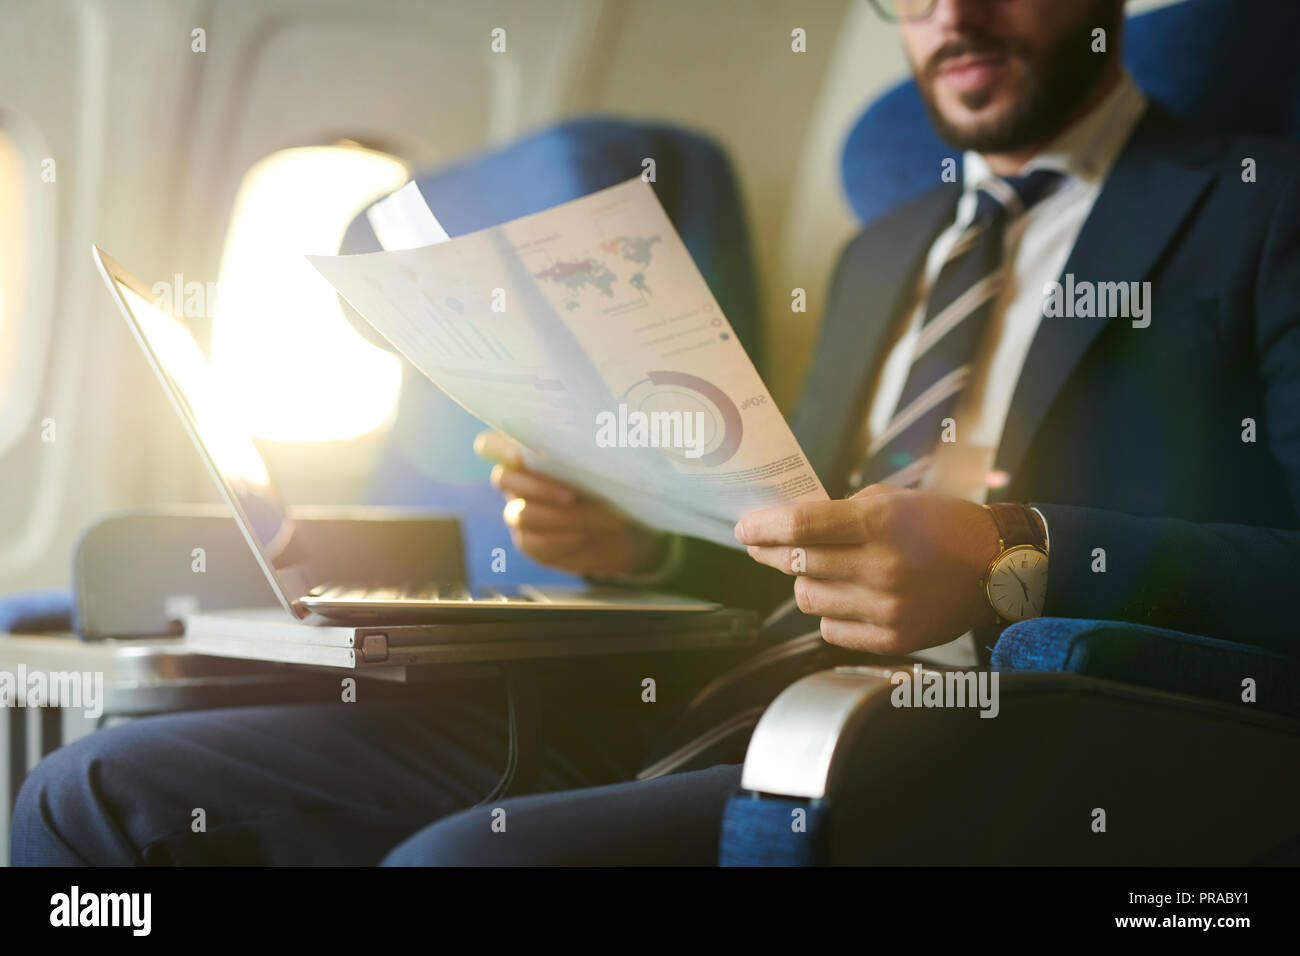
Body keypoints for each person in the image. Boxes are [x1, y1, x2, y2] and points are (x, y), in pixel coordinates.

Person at [13, 0, 1300, 865]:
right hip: (709, 684)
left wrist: (1008, 546)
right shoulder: (883, 252)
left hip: (991, 727)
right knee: (86, 793)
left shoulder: (1262, 207)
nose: (950, 15)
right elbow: (792, 547)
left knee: (459, 861)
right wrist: (638, 542)